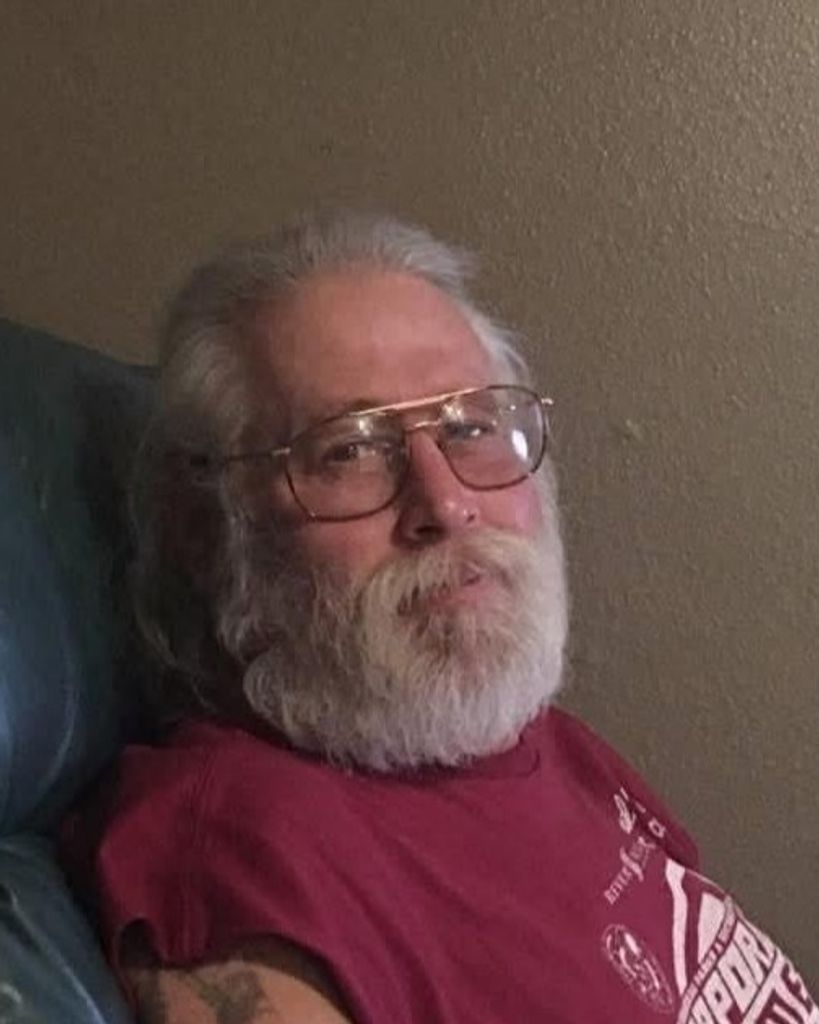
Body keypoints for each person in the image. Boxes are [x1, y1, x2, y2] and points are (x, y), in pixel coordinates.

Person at [63, 209, 817, 1024]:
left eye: (469, 427)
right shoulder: (238, 858)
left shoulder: (544, 743)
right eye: (349, 449)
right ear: (206, 527)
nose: (447, 502)